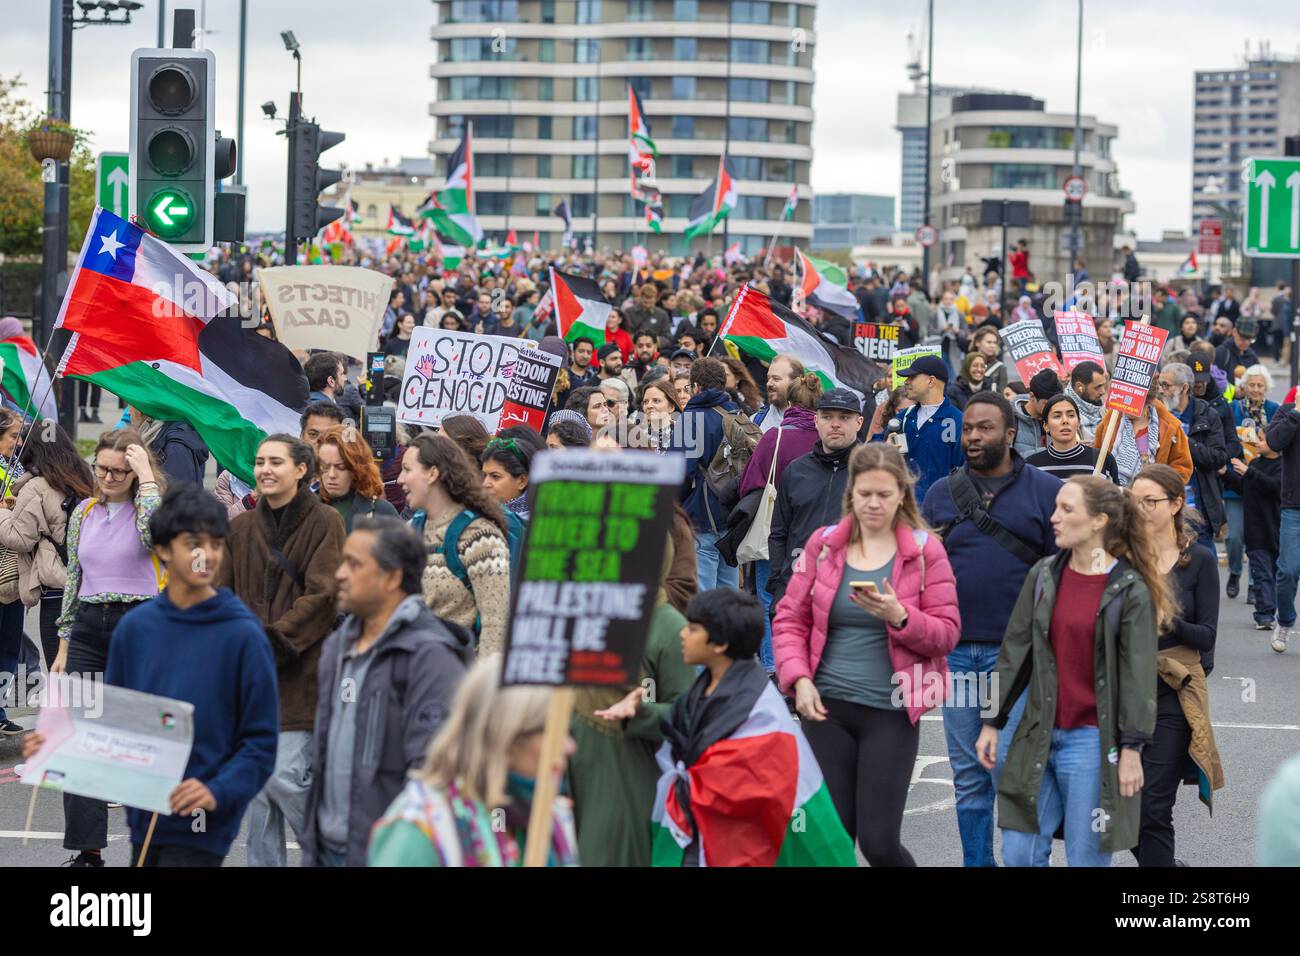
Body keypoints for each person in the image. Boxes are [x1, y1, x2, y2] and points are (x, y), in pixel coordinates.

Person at [56, 484, 276, 866]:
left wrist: (217, 790)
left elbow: (260, 741)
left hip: (203, 817)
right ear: (162, 550)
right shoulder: (136, 629)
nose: (205, 555)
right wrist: (57, 748)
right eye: (193, 543)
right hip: (145, 814)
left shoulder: (242, 634)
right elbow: (118, 724)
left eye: (215, 544)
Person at [773, 443, 961, 866]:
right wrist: (799, 679)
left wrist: (900, 616)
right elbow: (789, 619)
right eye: (864, 494)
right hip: (826, 711)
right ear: (851, 494)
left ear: (902, 495)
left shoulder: (925, 551)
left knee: (879, 843)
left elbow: (947, 634)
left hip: (890, 714)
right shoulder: (823, 546)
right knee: (832, 843)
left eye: (884, 494)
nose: (874, 504)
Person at [976, 476, 1171, 867]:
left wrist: (1132, 748)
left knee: (1086, 858)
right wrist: (991, 722)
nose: (1054, 518)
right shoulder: (1043, 576)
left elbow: (1138, 677)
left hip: (1092, 743)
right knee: (1019, 854)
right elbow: (1015, 652)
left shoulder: (1129, 589)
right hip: (1037, 732)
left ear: (1099, 520)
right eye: (1055, 508)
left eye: (1067, 510)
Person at [921, 391, 1061, 867]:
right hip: (957, 655)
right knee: (969, 777)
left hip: (1019, 657)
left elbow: (1061, 575)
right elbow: (923, 570)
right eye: (968, 429)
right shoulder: (941, 493)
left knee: (1013, 771)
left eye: (984, 428)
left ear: (1009, 432)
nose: (974, 437)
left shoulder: (1046, 492)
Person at [301, 517, 473, 866]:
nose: (340, 575)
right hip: (327, 851)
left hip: (387, 853)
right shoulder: (338, 647)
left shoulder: (429, 657)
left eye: (354, 564)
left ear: (393, 578)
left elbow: (433, 776)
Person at [651, 589, 857, 867]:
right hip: (711, 835)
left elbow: (751, 779)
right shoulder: (707, 688)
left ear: (720, 644)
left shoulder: (760, 709)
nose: (683, 634)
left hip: (744, 846)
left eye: (693, 628)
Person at [215, 434, 346, 868]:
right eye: (259, 461)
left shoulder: (326, 521)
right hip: (248, 679)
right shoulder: (239, 528)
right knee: (257, 794)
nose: (265, 469)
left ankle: (329, 850)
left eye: (276, 461)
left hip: (300, 674)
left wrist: (268, 642)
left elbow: (323, 595)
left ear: (302, 470)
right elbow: (221, 595)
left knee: (284, 775)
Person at [51, 429, 166, 866]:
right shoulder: (83, 512)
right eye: (101, 469)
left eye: (120, 471)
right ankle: (88, 852)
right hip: (87, 628)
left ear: (136, 472)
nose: (108, 478)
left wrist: (147, 483)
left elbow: (156, 539)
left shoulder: (150, 507)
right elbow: (73, 580)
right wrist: (63, 643)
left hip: (140, 625)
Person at [367, 656, 579, 867]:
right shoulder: (419, 833)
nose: (570, 747)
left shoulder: (552, 816)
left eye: (567, 730)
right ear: (504, 739)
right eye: (552, 731)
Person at [574, 534, 697, 866]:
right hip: (573, 771)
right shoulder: (587, 617)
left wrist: (639, 714)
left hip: (629, 778)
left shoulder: (669, 628)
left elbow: (689, 716)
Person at [1130, 465, 1223, 866]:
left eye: (1150, 501)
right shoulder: (1121, 558)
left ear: (1176, 504)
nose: (1140, 509)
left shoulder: (1198, 560)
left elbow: (1206, 638)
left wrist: (1166, 620)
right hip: (1123, 690)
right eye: (1133, 501)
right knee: (1123, 810)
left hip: (1171, 694)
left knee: (1151, 807)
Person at [736, 372, 823, 672]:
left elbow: (748, 483)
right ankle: (809, 664)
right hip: (819, 532)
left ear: (789, 403)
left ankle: (775, 667)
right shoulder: (827, 438)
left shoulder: (776, 436)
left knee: (768, 596)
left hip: (774, 531)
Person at [396, 433, 511, 655]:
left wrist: (478, 686)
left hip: (456, 676)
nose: (400, 479)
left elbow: (497, 624)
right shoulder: (411, 529)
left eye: (407, 470)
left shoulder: (481, 539)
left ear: (432, 474)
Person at [0, 421, 94, 676]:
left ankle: (66, 714)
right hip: (88, 581)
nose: (19, 445)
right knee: (85, 667)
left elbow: (19, 538)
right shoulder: (84, 475)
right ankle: (90, 713)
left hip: (55, 586)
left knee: (59, 665)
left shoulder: (36, 486)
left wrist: (3, 514)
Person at [766, 388, 864, 607]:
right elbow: (779, 532)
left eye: (844, 417)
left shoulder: (873, 470)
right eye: (827, 417)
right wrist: (779, 582)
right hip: (796, 589)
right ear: (816, 421)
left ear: (859, 422)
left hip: (851, 593)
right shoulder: (796, 470)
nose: (835, 424)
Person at [670, 356, 747, 592]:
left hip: (702, 517)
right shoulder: (738, 415)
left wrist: (674, 507)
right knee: (728, 597)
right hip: (733, 516)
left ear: (695, 387)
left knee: (703, 599)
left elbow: (679, 472)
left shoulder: (691, 419)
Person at [1156, 363, 1226, 551]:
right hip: (1164, 507)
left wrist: (1184, 440)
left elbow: (1218, 457)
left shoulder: (1207, 415)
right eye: (1159, 385)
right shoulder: (1155, 416)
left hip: (1197, 509)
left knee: (1205, 566)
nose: (1161, 391)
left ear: (1184, 388)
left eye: (1166, 385)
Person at [1226, 364, 1279, 599]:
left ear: (1266, 387)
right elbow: (1225, 441)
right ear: (1244, 386)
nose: (1256, 389)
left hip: (1263, 483)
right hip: (1237, 483)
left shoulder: (1275, 410)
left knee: (1259, 539)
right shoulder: (1232, 410)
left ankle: (1255, 586)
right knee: (1235, 537)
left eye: (1260, 385)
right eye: (1252, 385)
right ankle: (1235, 571)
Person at [897, 355, 964, 503]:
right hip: (904, 511)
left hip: (941, 513)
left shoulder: (959, 421)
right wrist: (885, 448)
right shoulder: (903, 417)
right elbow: (873, 448)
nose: (906, 381)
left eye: (912, 377)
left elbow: (965, 472)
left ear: (931, 381)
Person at [1095, 389, 1192, 487]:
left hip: (1150, 496)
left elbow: (1182, 467)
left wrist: (1159, 484)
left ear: (1147, 401)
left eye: (1132, 401)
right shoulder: (1112, 419)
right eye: (1125, 399)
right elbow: (1097, 455)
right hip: (1111, 494)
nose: (1126, 404)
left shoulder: (1170, 427)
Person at [1264, 402, 1300, 653]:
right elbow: (1274, 442)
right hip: (1293, 506)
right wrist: (1296, 414)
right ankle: (1285, 621)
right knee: (1287, 570)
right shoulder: (1288, 412)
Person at [315, 425, 400, 532]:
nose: (331, 474)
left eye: (341, 467)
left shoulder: (381, 511)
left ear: (357, 468)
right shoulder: (306, 508)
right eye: (325, 467)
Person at [1025, 394, 1119, 482]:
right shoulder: (1031, 466)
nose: (1065, 421)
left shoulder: (1103, 459)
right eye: (1057, 416)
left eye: (1071, 415)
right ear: (1046, 426)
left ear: (1078, 423)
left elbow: (1117, 498)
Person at [1010, 369, 1059, 459]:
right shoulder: (1009, 418)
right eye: (1046, 404)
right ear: (1032, 396)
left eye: (1054, 404)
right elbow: (1007, 459)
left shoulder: (1057, 419)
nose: (1051, 408)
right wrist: (1049, 452)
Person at [754, 355, 805, 433]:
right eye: (768, 378)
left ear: (796, 382)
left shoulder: (815, 421)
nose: (769, 383)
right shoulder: (756, 421)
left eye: (776, 379)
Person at [1064, 360, 1108, 443]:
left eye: (1103, 385)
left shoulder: (1104, 408)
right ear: (1079, 387)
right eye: (1098, 387)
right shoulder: (1062, 409)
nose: (1103, 392)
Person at [635, 376, 681, 452]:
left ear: (672, 407)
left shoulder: (682, 434)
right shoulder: (638, 435)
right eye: (646, 402)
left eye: (656, 401)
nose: (649, 406)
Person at [970, 326, 1008, 395]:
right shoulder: (968, 363)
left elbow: (1001, 395)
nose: (992, 345)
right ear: (977, 343)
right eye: (989, 342)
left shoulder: (1000, 367)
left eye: (995, 342)